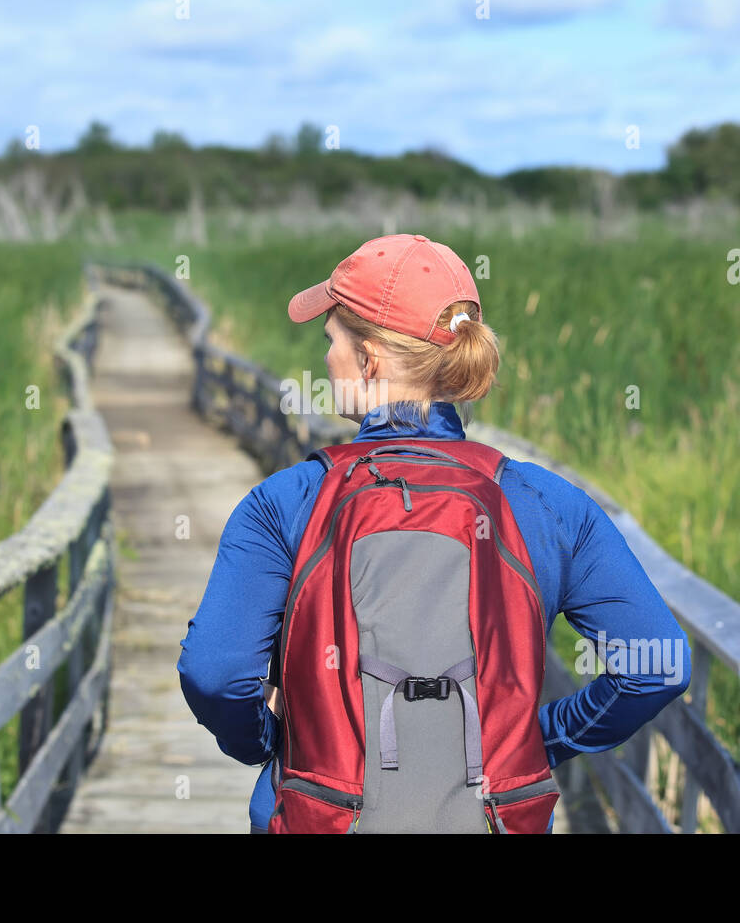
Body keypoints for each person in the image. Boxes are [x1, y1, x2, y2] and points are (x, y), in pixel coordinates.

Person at [177, 233, 691, 833]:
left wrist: (268, 742)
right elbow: (658, 665)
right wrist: (539, 740)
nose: (326, 360)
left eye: (331, 341)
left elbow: (215, 673)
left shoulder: (285, 503)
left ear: (369, 359)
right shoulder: (548, 505)